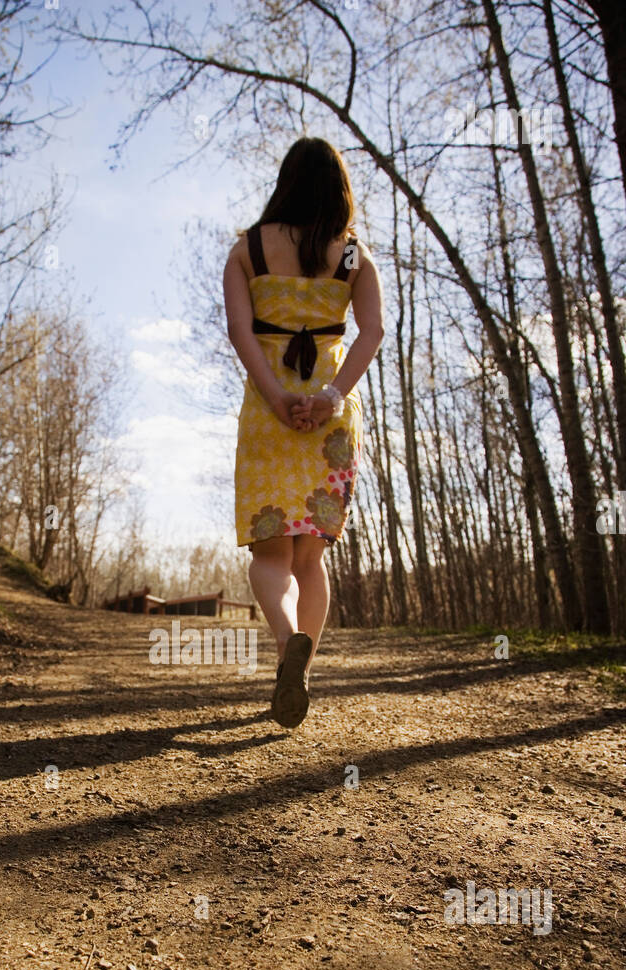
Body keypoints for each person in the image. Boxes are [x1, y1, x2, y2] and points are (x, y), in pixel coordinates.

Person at [223, 137, 385, 728]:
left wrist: (276, 396)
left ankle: (287, 640)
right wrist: (330, 396)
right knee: (310, 557)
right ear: (338, 188)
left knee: (270, 551)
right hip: (332, 420)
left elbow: (242, 334)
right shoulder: (352, 257)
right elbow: (370, 332)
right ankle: (304, 664)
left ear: (285, 183)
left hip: (269, 414)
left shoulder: (248, 251)